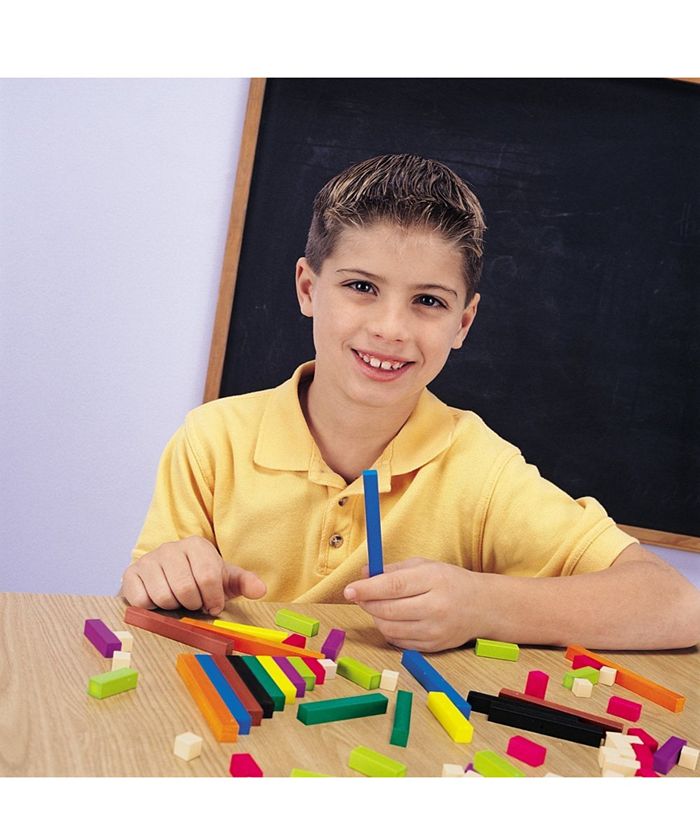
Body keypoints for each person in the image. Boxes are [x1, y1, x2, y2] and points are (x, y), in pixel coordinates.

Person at [121, 154, 700, 652]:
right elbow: (144, 600)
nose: (391, 328)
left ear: (463, 323)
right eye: (361, 287)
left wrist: (482, 603)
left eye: (427, 300)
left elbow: (675, 604)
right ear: (307, 288)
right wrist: (165, 577)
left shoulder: (481, 472)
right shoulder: (212, 442)